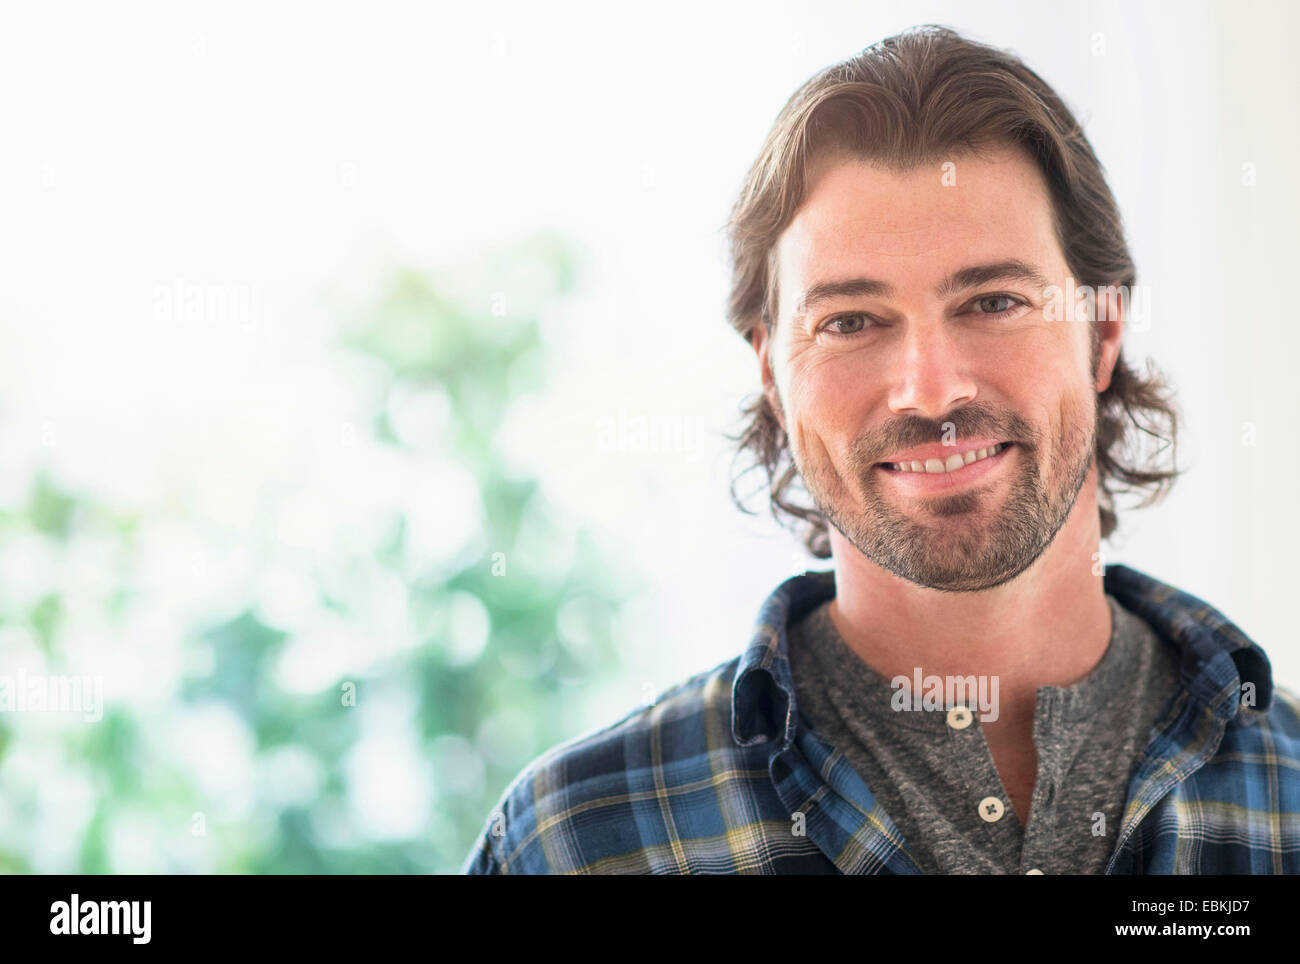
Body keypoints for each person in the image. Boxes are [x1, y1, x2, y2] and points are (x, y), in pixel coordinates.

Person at [462, 25, 1300, 874]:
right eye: (850, 322)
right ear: (770, 372)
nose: (931, 392)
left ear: (1104, 328)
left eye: (994, 302)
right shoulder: (572, 841)